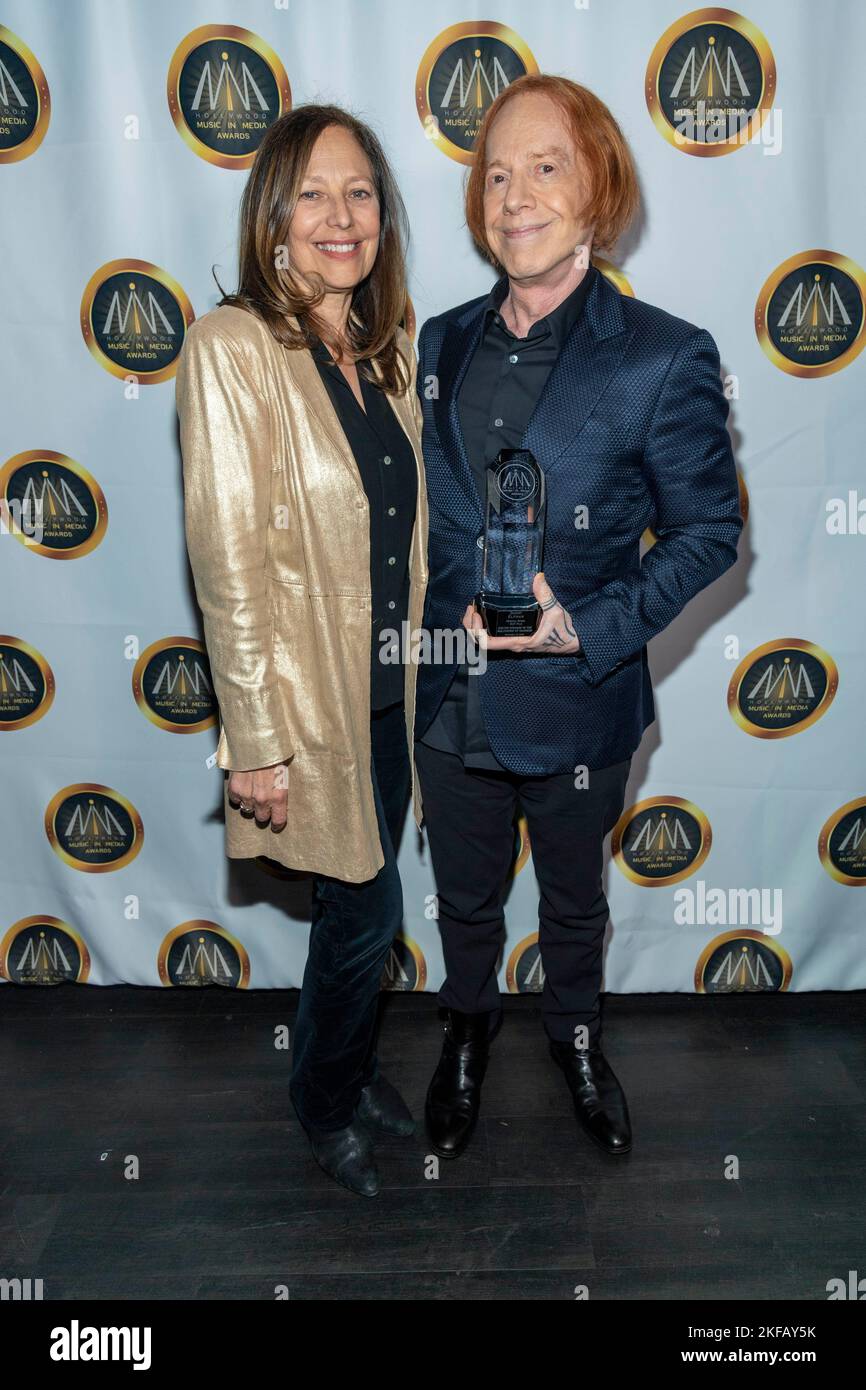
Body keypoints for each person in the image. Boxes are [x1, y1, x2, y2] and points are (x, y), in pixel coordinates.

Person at [414, 74, 743, 1160]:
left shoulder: (660, 353)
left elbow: (706, 534)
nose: (514, 195)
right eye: (495, 172)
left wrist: (585, 626)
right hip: (447, 695)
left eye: (544, 167)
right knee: (462, 897)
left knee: (572, 902)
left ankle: (577, 1036)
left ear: (596, 192)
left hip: (576, 701)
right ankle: (464, 1029)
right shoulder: (437, 345)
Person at [176, 104, 428, 1198]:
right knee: (365, 910)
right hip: (303, 706)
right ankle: (322, 1098)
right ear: (273, 219)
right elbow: (227, 562)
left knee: (351, 910)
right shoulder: (232, 346)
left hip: (390, 693)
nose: (342, 215)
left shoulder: (383, 348)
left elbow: (403, 533)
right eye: (315, 193)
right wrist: (255, 741)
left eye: (360, 192)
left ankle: (347, 1062)